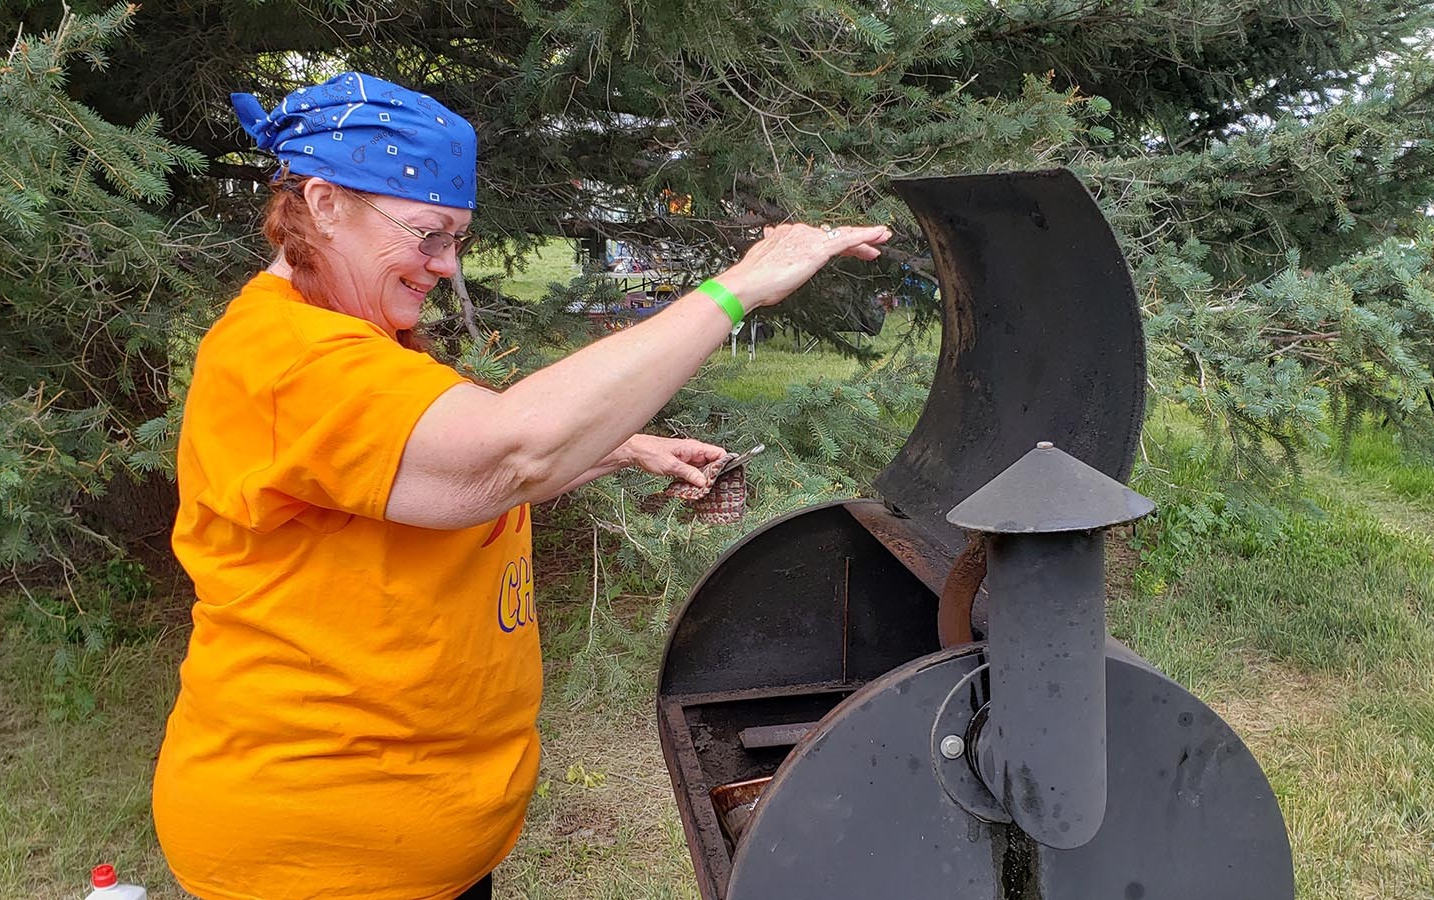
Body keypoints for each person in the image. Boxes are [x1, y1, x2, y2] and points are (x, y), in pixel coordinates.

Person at [152, 71, 891, 900]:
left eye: (458, 239)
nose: (444, 266)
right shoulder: (287, 357)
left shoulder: (353, 339)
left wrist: (622, 449)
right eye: (429, 235)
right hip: (312, 855)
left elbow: (437, 485)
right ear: (324, 204)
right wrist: (735, 290)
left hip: (416, 839)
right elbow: (505, 457)